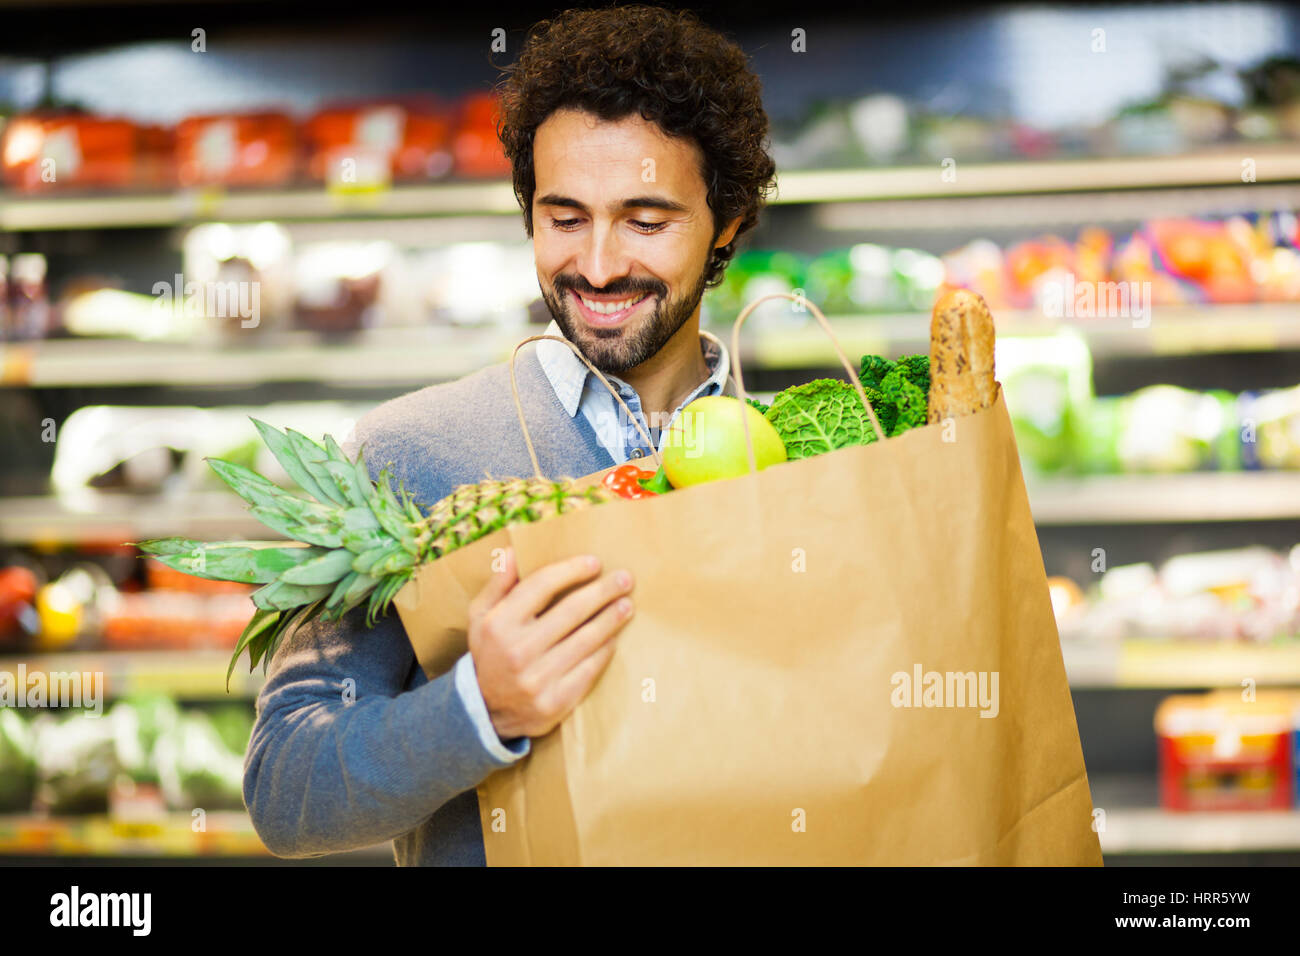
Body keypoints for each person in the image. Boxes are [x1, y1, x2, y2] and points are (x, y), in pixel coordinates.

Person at [243, 4, 777, 865]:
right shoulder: (403, 454)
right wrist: (478, 710)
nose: (598, 266)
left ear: (728, 227)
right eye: (565, 219)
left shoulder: (807, 456)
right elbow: (286, 787)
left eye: (646, 221)